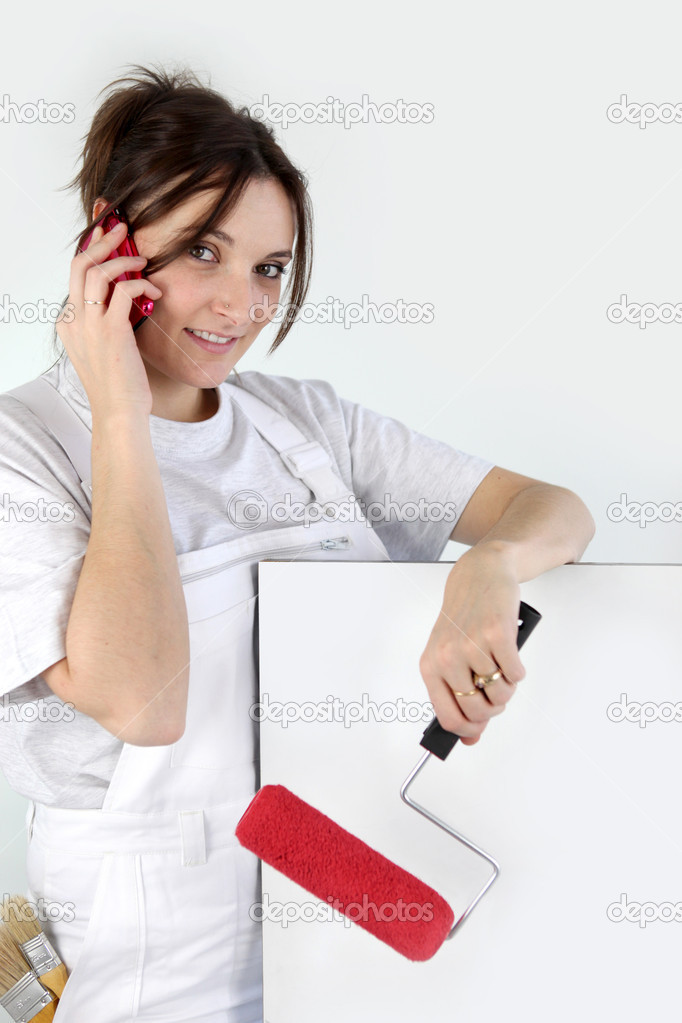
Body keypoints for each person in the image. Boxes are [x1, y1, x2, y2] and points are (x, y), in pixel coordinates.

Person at [0, 63, 595, 1022]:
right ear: (109, 244)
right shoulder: (23, 450)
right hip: (157, 975)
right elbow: (142, 700)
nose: (239, 306)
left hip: (346, 931)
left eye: (268, 268)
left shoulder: (307, 425)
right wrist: (119, 413)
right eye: (203, 251)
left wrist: (488, 567)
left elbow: (552, 508)